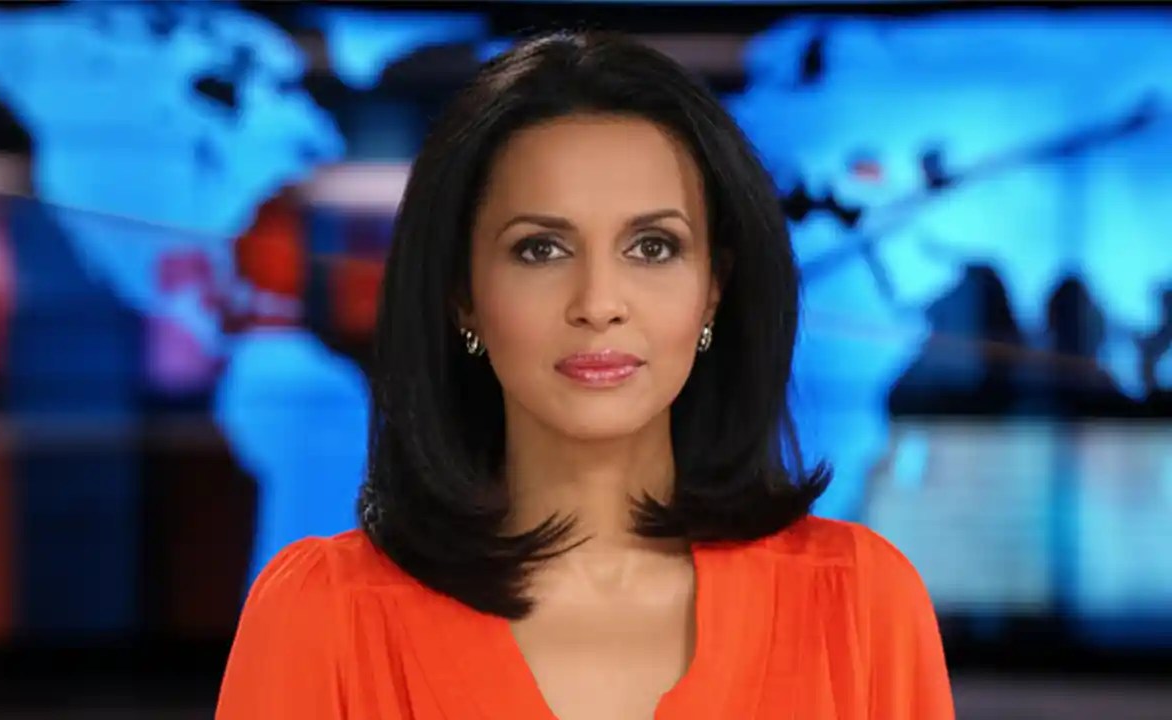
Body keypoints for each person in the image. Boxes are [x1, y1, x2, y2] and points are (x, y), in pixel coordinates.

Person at [216, 31, 953, 719]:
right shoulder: (321, 617)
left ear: (715, 290)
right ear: (463, 296)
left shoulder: (859, 606)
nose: (599, 304)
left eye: (653, 248)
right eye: (540, 250)